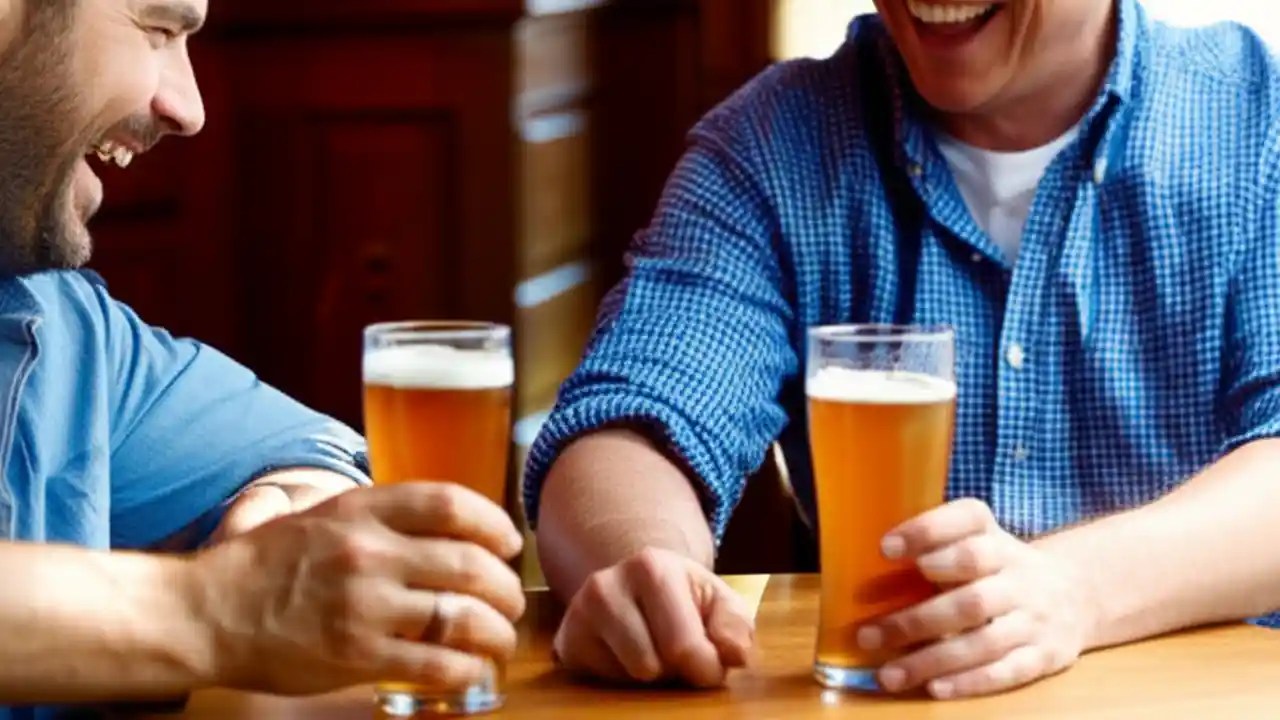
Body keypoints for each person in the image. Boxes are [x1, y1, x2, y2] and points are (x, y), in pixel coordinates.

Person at [525, 0, 1280, 700]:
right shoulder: (770, 143)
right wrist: (643, 567)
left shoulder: (1257, 120)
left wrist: (1076, 589)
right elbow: (632, 420)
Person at [0, 1, 526, 718]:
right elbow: (235, 607)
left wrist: (290, 509)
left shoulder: (67, 328)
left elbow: (312, 453)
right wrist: (211, 612)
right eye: (158, 29)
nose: (189, 109)